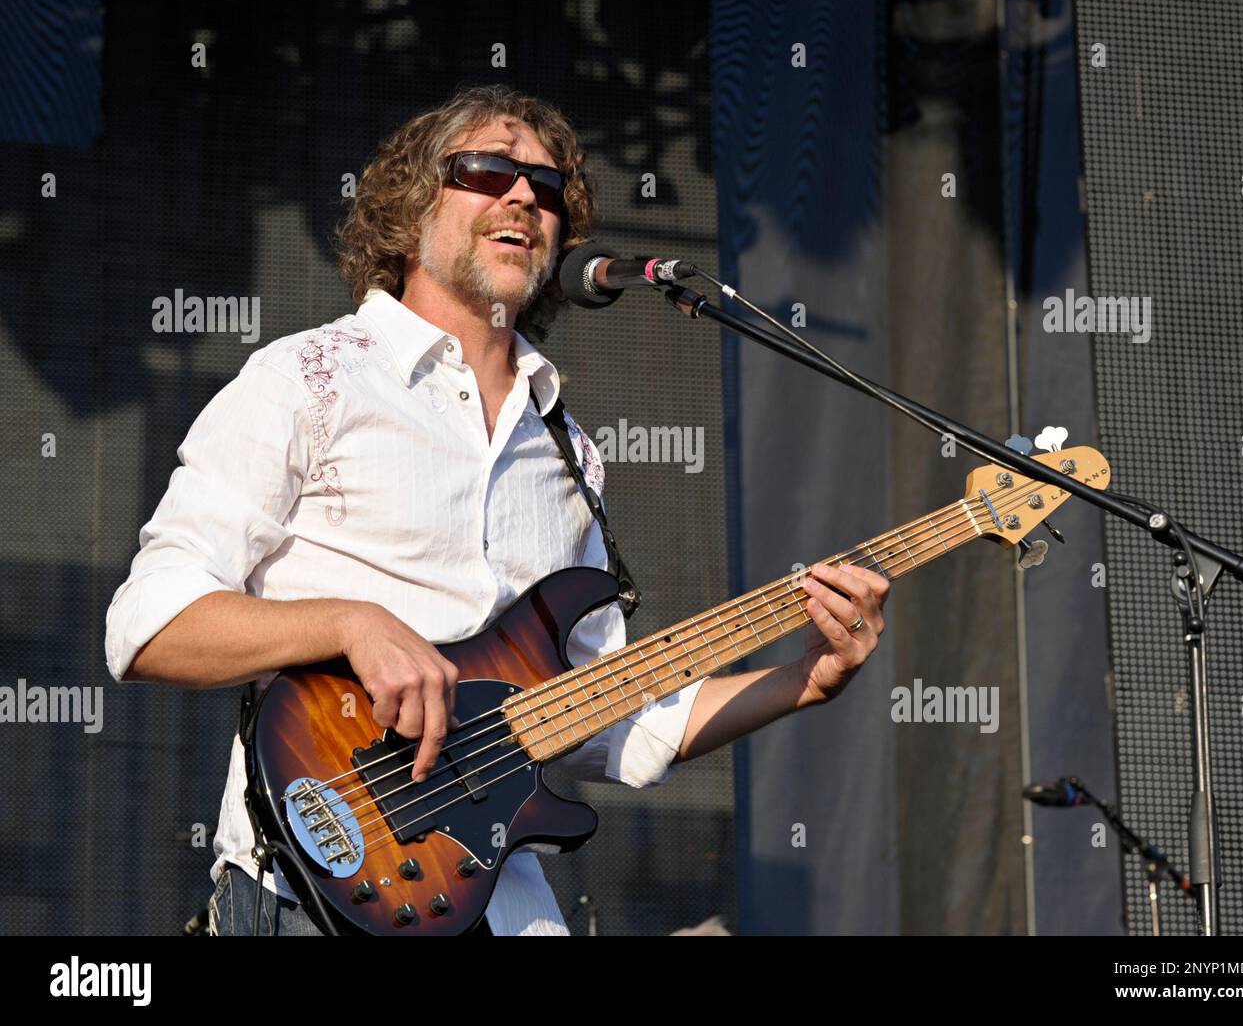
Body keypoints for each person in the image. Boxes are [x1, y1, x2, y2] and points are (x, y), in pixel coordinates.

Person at [104, 84, 890, 936]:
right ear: (410, 212)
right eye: (488, 171)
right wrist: (349, 623)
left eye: (547, 189)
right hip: (312, 890)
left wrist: (802, 680)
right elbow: (147, 624)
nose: (523, 196)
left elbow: (610, 722)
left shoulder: (568, 451)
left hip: (504, 907)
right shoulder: (307, 379)